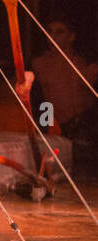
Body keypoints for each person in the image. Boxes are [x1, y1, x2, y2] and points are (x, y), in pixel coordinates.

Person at [30, 19, 98, 147]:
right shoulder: (40, 64)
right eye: (49, 32)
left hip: (89, 128)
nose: (53, 37)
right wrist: (46, 131)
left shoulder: (83, 62)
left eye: (59, 32)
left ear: (71, 37)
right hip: (63, 129)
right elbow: (44, 99)